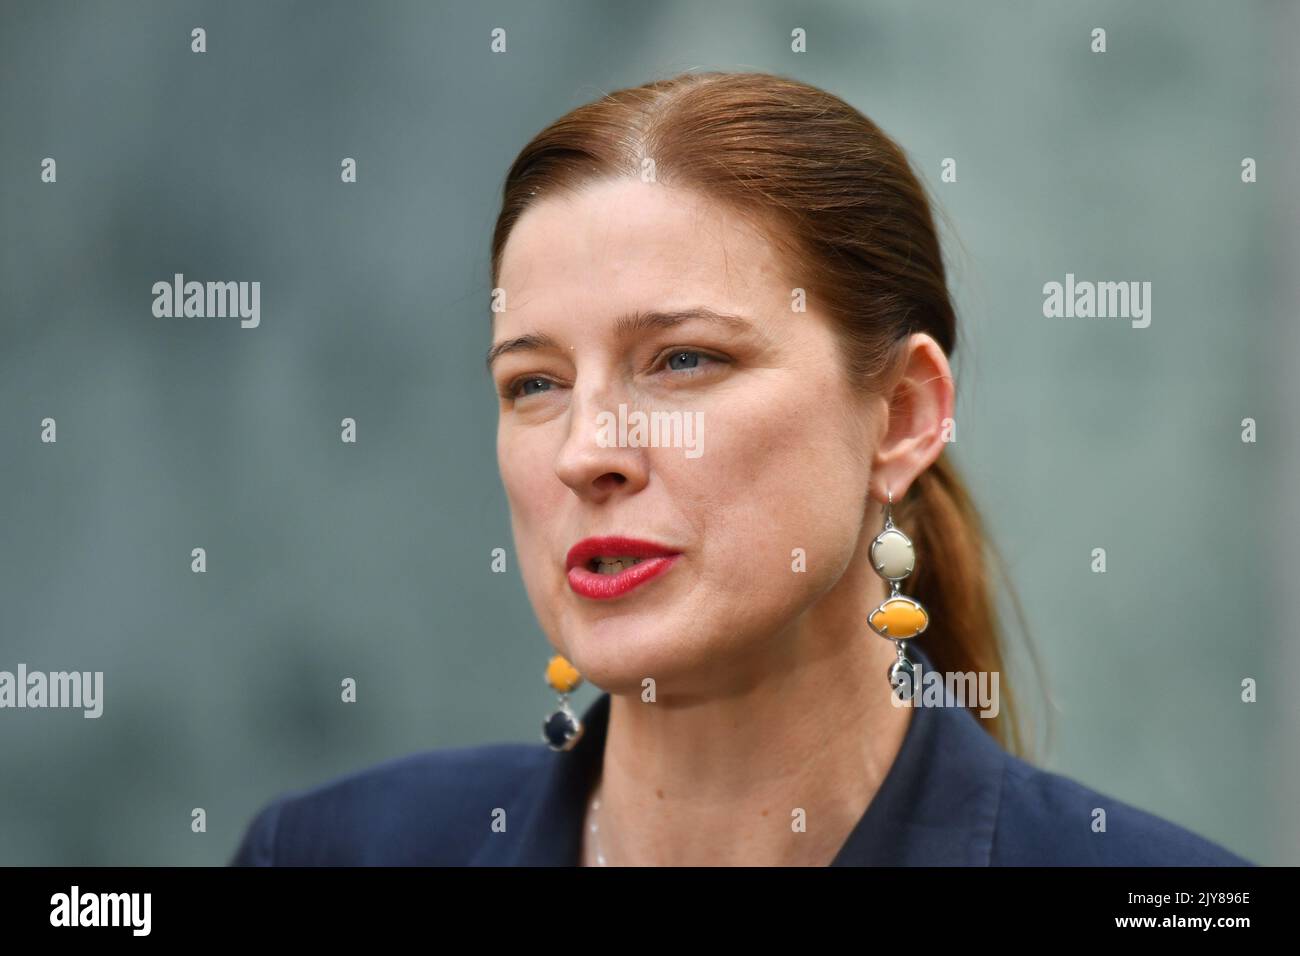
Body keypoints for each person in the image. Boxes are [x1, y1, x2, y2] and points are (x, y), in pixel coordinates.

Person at [231, 71, 1251, 866]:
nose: (587, 451)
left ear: (901, 414)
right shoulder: (334, 849)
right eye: (533, 382)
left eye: (682, 360)